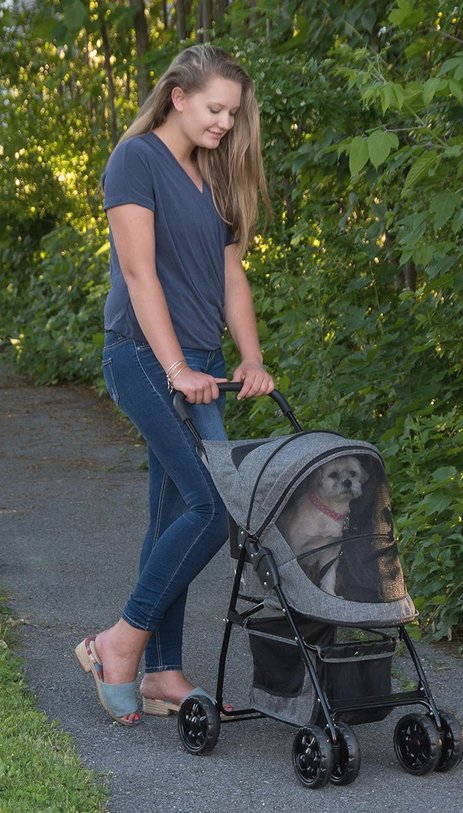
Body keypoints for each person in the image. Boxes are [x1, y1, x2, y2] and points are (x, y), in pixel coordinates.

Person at [75, 44, 274, 726]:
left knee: (174, 514)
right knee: (212, 509)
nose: (225, 122)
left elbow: (229, 277)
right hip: (145, 356)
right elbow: (139, 275)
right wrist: (175, 367)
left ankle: (163, 669)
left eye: (233, 113)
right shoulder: (136, 161)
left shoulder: (212, 177)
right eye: (216, 108)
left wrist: (249, 356)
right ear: (178, 97)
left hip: (201, 366)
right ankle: (119, 642)